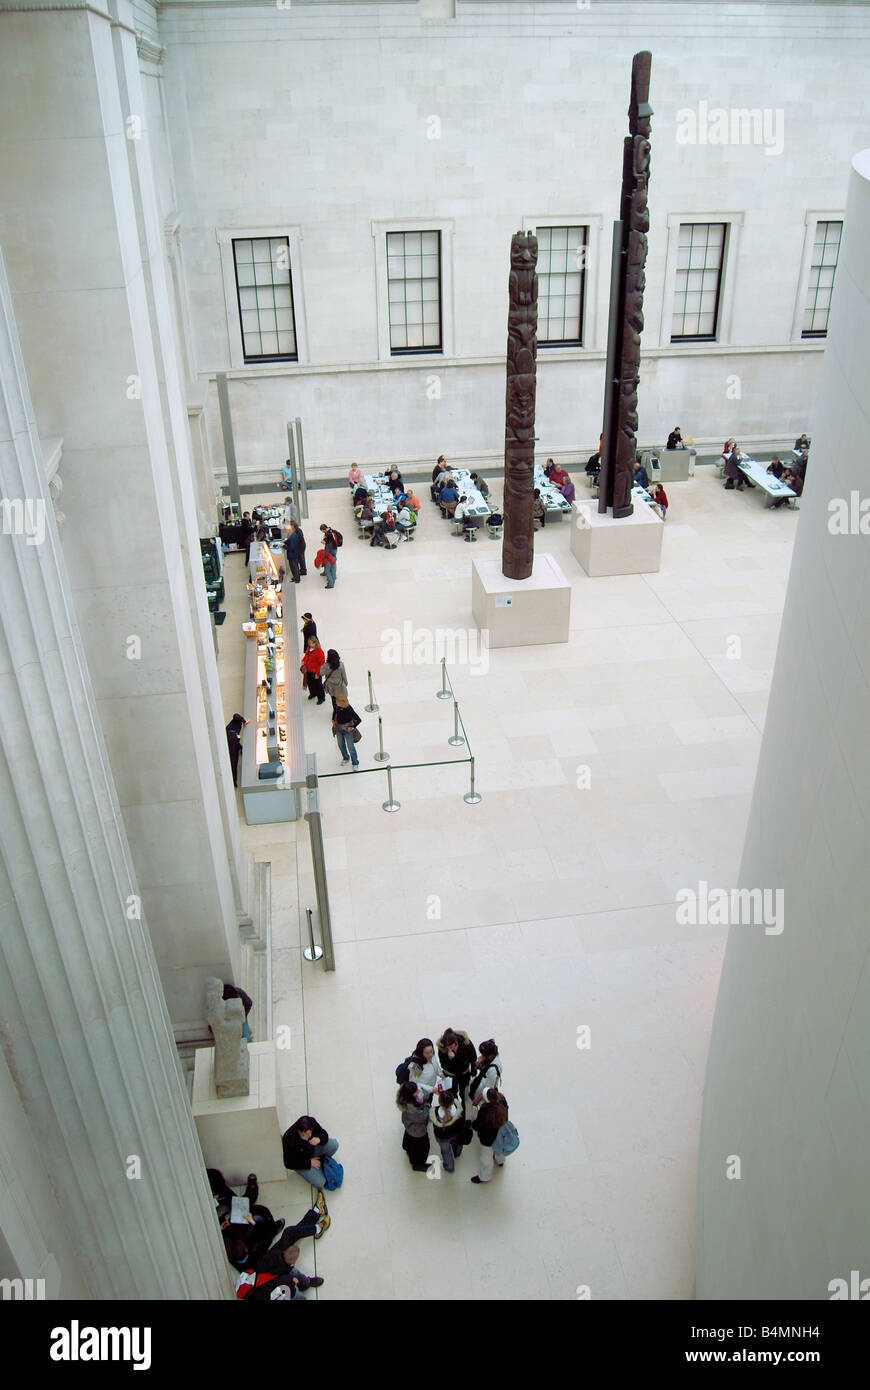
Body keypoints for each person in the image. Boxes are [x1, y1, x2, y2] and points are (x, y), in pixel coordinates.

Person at [281, 1115, 339, 1190]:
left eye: (310, 1132)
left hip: (311, 1150)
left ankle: (320, 1162)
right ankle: (315, 1167)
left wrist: (319, 1139)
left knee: (334, 1144)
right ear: (300, 1131)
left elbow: (324, 1134)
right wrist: (309, 1162)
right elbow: (288, 1163)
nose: (310, 1135)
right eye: (307, 1134)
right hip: (301, 1160)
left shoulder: (311, 1122)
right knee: (321, 1182)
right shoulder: (289, 1138)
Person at [470, 1088, 509, 1184]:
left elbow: (476, 1126)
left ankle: (485, 1177)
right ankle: (500, 1161)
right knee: (499, 1149)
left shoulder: (485, 1112)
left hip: (487, 1139)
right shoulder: (502, 1101)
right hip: (501, 1134)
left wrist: (474, 1108)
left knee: (486, 1158)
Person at [437, 1028, 477, 1113]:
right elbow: (443, 1064)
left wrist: (455, 1058)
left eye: (450, 1046)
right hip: (450, 1075)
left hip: (464, 1073)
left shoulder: (465, 1043)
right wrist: (450, 1059)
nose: (449, 1048)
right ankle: (454, 1110)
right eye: (446, 1046)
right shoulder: (442, 1049)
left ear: (455, 1042)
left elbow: (473, 1057)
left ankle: (465, 1111)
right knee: (451, 1094)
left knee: (465, 1093)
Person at [397, 1080, 431, 1172]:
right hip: (417, 1132)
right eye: (417, 1091)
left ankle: (407, 1148)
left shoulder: (404, 1098)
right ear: (412, 1095)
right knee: (423, 1148)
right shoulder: (413, 1111)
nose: (419, 1092)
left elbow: (423, 1095)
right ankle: (418, 1164)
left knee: (410, 1140)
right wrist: (427, 1105)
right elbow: (424, 1117)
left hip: (409, 1126)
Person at [430, 1087, 465, 1174]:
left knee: (446, 1152)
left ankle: (449, 1166)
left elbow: (432, 1121)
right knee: (456, 1144)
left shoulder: (434, 1112)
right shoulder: (457, 1107)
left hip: (442, 1137)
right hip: (455, 1133)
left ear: (440, 1102)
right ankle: (457, 1153)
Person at [468, 1039, 502, 1110]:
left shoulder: (493, 1070)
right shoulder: (488, 1060)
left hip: (483, 1101)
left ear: (490, 1055)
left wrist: (477, 1099)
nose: (481, 1056)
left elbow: (489, 1089)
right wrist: (479, 1065)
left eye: (483, 1055)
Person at [332, 694, 361, 768]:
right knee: (340, 744)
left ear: (341, 702)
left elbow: (358, 719)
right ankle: (346, 758)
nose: (335, 702)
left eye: (337, 701)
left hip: (347, 729)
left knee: (350, 747)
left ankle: (355, 763)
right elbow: (335, 712)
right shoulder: (337, 706)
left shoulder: (348, 708)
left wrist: (352, 727)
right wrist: (333, 719)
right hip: (339, 728)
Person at [300, 634, 326, 703]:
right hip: (308, 670)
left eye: (311, 643)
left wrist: (317, 673)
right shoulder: (309, 648)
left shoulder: (320, 652)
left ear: (315, 642)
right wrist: (303, 660)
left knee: (318, 685)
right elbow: (306, 656)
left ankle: (321, 697)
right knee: (310, 683)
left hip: (315, 672)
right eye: (309, 643)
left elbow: (321, 664)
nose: (310, 644)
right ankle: (313, 693)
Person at [225, 713, 249, 787]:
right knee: (234, 762)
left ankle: (234, 781)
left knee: (234, 762)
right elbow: (235, 715)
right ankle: (233, 781)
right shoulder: (237, 721)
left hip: (233, 741)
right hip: (232, 738)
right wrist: (244, 721)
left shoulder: (234, 724)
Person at [320, 524, 338, 588]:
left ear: (324, 530)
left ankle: (331, 581)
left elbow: (328, 547)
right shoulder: (331, 531)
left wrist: (325, 543)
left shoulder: (328, 535)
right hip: (334, 549)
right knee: (333, 563)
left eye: (322, 531)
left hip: (331, 551)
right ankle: (333, 576)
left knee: (331, 564)